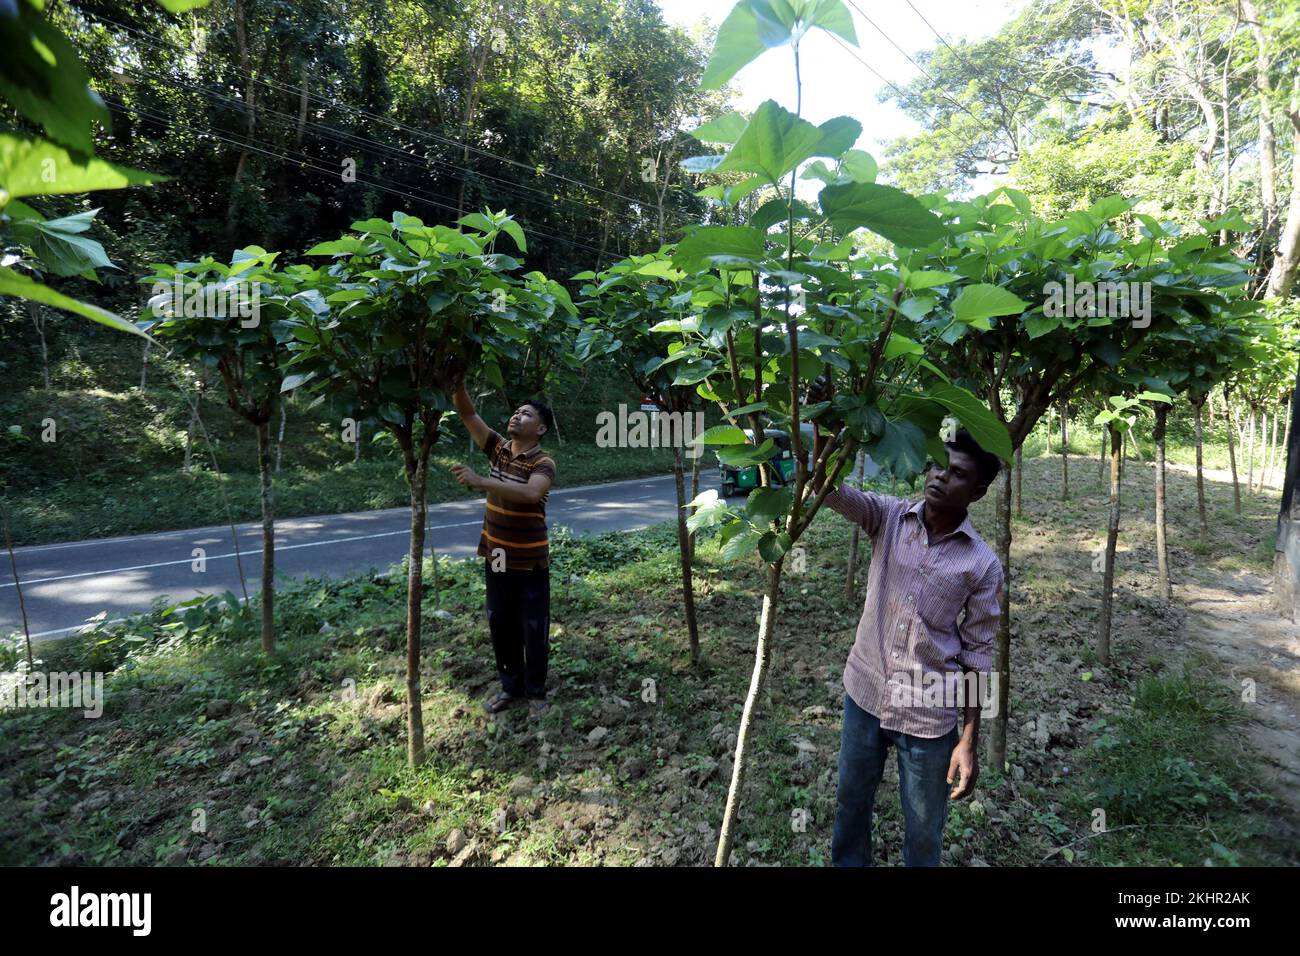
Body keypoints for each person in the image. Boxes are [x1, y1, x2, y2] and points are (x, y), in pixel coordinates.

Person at [810, 381, 1004, 867]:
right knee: (850, 807)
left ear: (976, 492)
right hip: (866, 694)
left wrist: (969, 739)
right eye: (937, 464)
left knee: (923, 833)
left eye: (956, 474)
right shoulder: (889, 517)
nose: (939, 477)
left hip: (928, 713)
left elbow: (980, 655)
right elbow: (825, 487)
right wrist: (823, 421)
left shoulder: (981, 564)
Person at [450, 379, 557, 718]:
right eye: (515, 412)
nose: (516, 416)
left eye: (525, 414)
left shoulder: (543, 463)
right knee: (500, 622)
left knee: (533, 625)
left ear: (539, 428)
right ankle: (511, 686)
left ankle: (536, 690)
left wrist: (481, 482)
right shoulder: (496, 448)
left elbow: (530, 494)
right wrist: (457, 382)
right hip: (496, 554)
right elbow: (467, 413)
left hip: (530, 560)